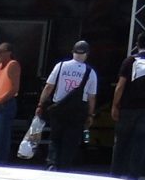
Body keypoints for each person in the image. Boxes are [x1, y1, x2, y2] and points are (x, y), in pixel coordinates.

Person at [35, 39, 98, 172]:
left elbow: (48, 87)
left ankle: (52, 163)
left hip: (58, 108)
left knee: (55, 138)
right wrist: (90, 114)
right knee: (70, 141)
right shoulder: (90, 72)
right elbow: (92, 96)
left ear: (73, 52)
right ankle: (65, 167)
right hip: (77, 111)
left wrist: (41, 104)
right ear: (87, 54)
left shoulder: (61, 66)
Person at [111, 33, 145, 180]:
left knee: (121, 141)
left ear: (137, 44)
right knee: (140, 142)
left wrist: (115, 105)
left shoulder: (129, 61)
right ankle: (133, 175)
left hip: (128, 107)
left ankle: (116, 174)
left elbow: (120, 85)